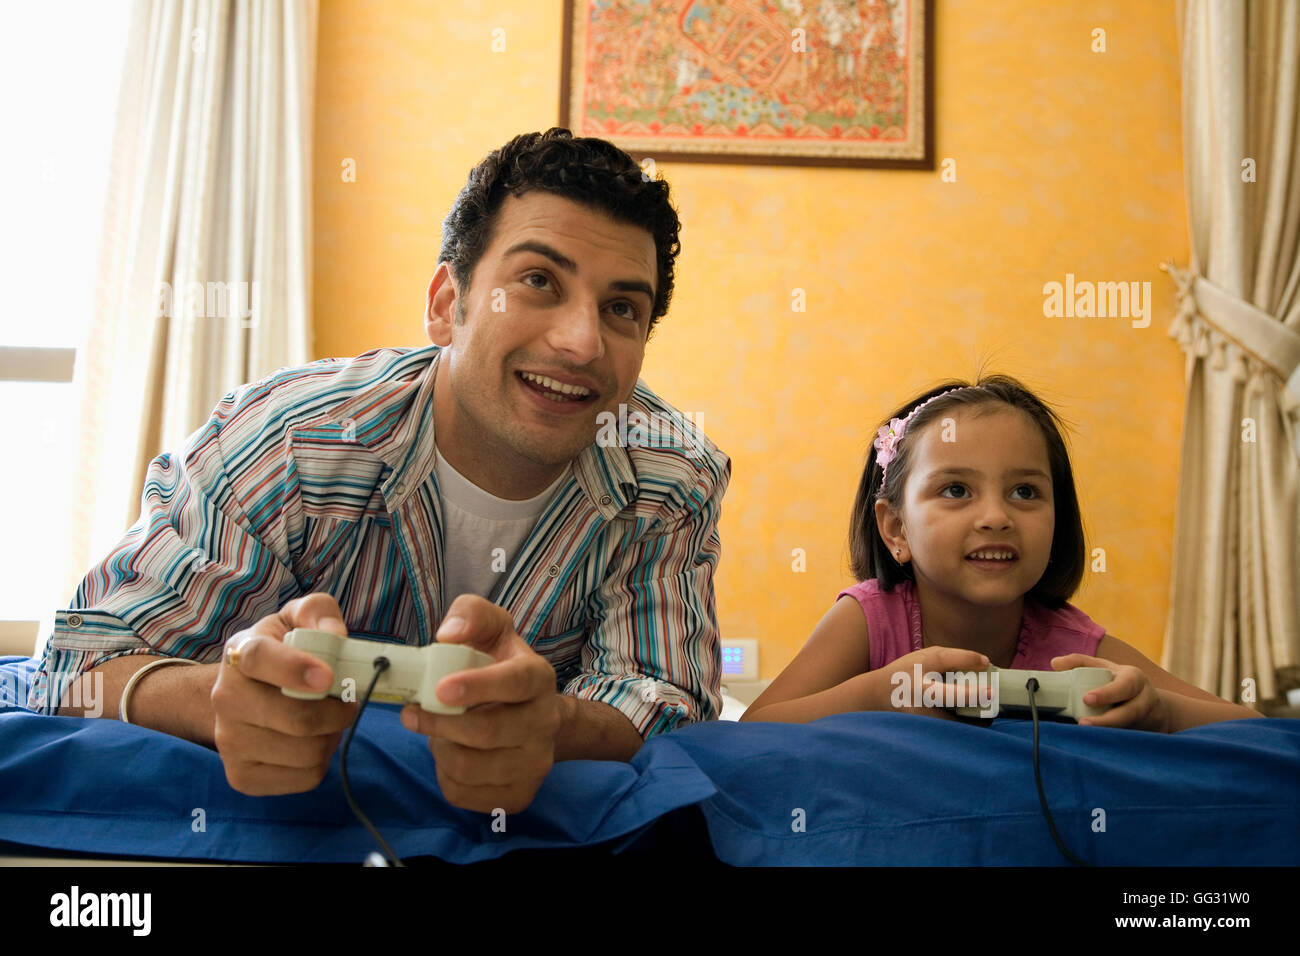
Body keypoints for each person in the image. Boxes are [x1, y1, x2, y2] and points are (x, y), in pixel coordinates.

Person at [30, 128, 731, 814]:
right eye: (539, 280)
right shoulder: (289, 438)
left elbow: (664, 702)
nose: (581, 342)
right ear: (446, 306)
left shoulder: (670, 479)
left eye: (620, 309)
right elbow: (73, 666)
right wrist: (214, 700)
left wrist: (550, 725)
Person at [741, 375, 1261, 732]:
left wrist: (1160, 712)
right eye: (957, 491)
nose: (996, 517)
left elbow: (1254, 728)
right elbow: (754, 731)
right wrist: (879, 695)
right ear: (895, 529)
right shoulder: (869, 619)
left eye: (1026, 492)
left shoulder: (1071, 645)